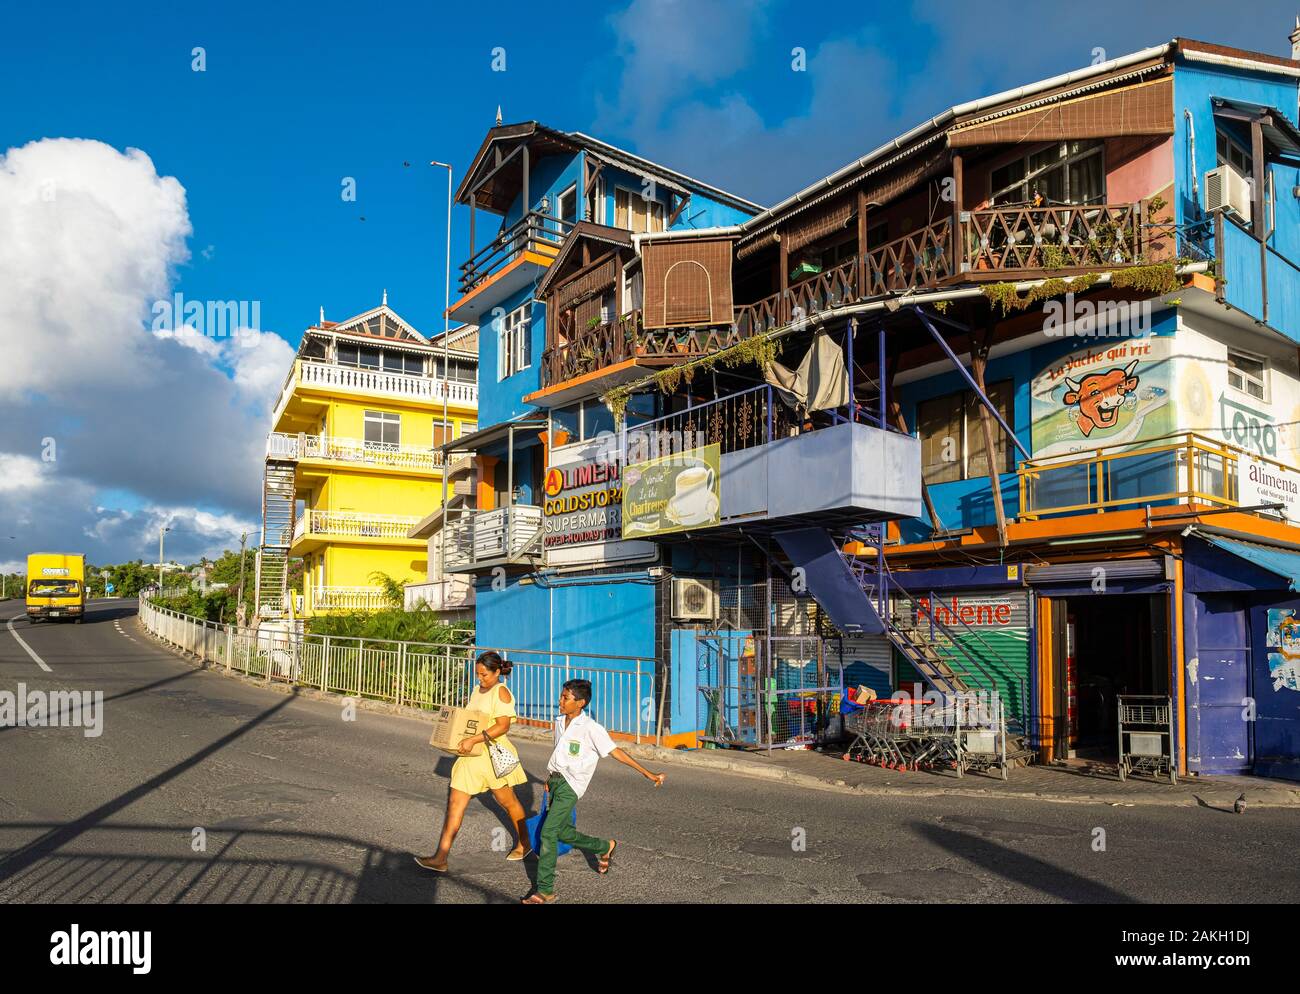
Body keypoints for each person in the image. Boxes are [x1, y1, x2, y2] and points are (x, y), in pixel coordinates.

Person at [522, 679, 665, 904]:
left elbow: (616, 752)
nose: (560, 701)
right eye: (561, 696)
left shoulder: (591, 728)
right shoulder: (559, 721)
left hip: (572, 786)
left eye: (565, 698)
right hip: (557, 782)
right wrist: (550, 777)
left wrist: (647, 773)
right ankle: (605, 846)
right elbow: (561, 752)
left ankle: (545, 890)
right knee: (564, 833)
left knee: (548, 832)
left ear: (580, 702)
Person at [415, 650, 529, 871]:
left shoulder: (501, 692)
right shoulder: (477, 689)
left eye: (485, 674)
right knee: (455, 805)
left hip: (492, 757)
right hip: (470, 756)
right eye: (478, 674)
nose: (480, 678)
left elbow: (503, 726)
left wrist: (473, 739)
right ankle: (441, 857)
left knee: (507, 802)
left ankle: (525, 843)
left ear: (497, 672)